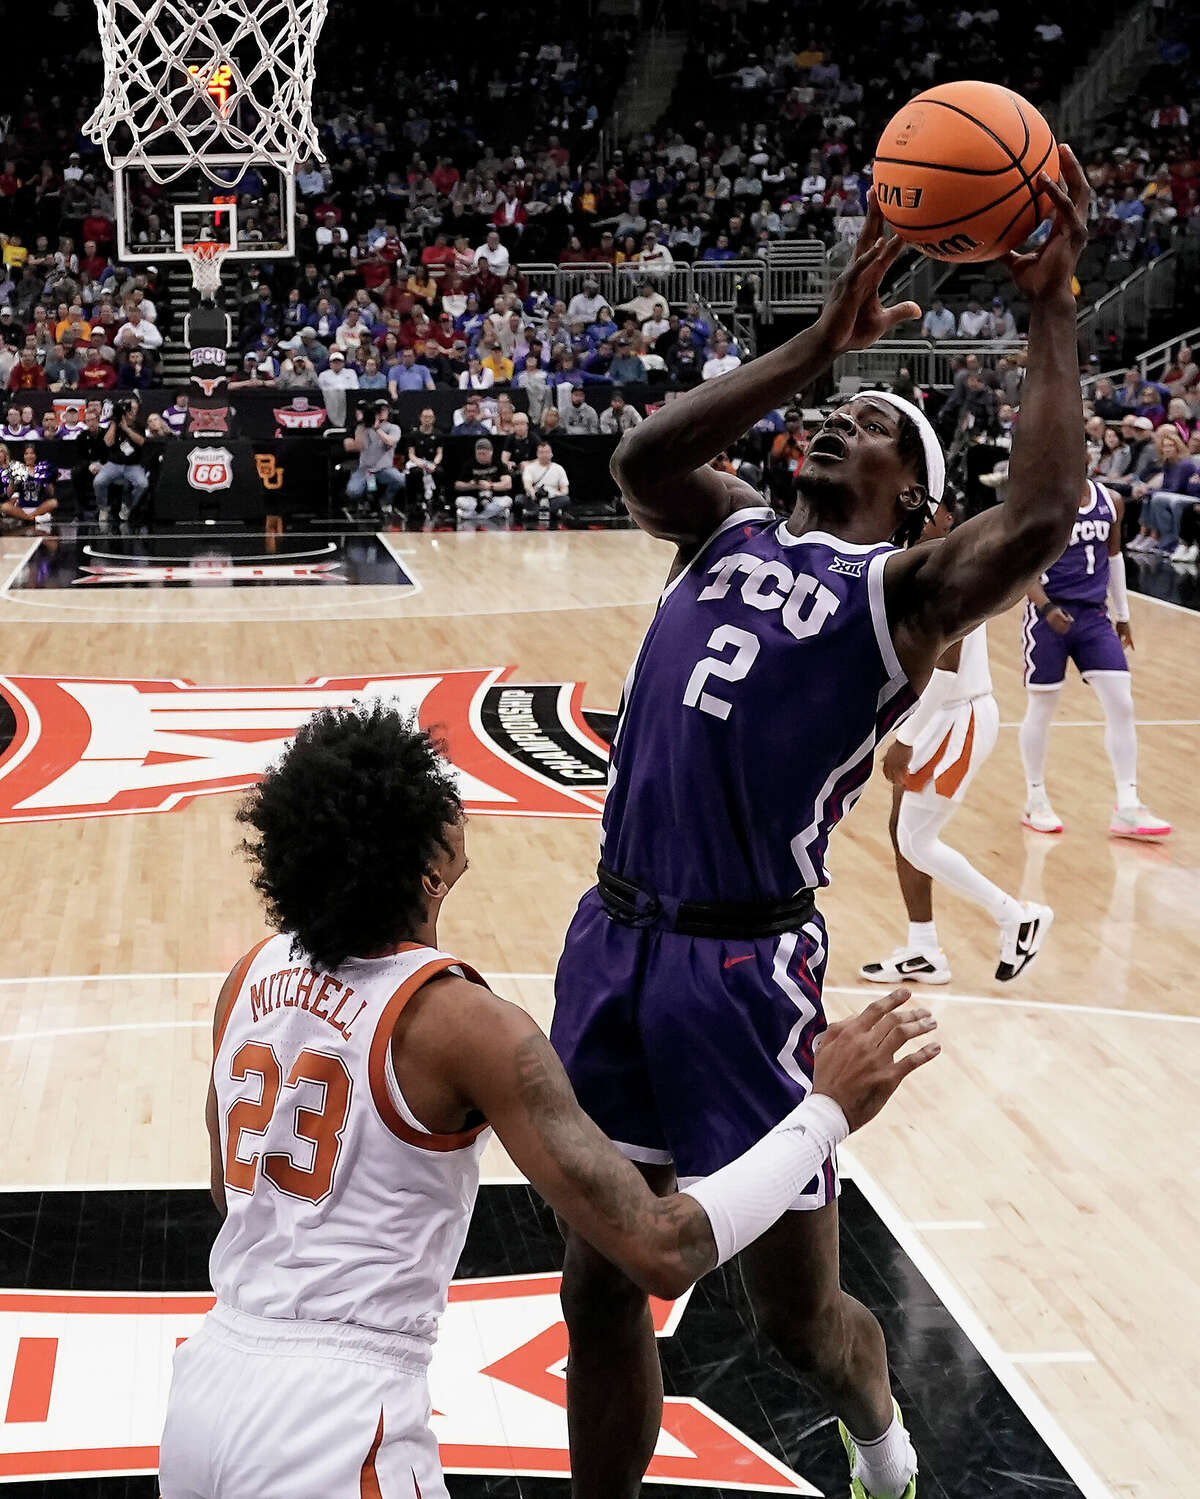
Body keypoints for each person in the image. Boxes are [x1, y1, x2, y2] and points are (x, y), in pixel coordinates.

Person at [550, 154, 1090, 1499]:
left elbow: (1038, 515)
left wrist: (1054, 306)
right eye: (831, 410)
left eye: (872, 420)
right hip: (610, 939)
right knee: (599, 1290)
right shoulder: (723, 528)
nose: (841, 419)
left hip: (742, 974)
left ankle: (884, 1444)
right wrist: (819, 341)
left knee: (793, 1321)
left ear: (914, 490)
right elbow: (637, 454)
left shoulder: (899, 594)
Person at [156, 704, 937, 1499]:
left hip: (203, 1394)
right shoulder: (465, 1024)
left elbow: (234, 1193)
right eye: (438, 796)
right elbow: (665, 1252)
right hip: (338, 1427)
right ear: (430, 870)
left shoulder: (247, 977)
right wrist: (826, 1110)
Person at [862, 505, 1051, 986]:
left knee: (916, 838)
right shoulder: (914, 564)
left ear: (946, 518)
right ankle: (923, 949)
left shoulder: (949, 574)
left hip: (955, 717)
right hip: (937, 717)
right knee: (901, 829)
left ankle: (1015, 916)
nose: (929, 516)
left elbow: (945, 673)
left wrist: (903, 741)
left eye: (936, 509)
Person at [1019, 477, 1170, 839]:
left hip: (1093, 617)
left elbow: (1114, 558)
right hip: (1048, 617)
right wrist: (1047, 607)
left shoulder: (1110, 500)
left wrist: (1123, 615)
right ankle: (1035, 797)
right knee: (1043, 705)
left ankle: (1128, 805)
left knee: (1122, 703)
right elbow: (1022, 568)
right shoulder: (1041, 502)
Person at [94, 395, 149, 525]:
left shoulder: (139, 425)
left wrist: (126, 429)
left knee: (143, 484)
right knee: (98, 482)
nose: (130, 413)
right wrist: (115, 421)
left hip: (133, 465)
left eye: (133, 409)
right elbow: (108, 442)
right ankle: (103, 508)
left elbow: (142, 442)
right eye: (129, 410)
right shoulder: (114, 425)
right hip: (114, 464)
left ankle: (128, 506)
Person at [344, 399, 402, 515]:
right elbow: (357, 446)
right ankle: (362, 501)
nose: (381, 412)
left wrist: (377, 429)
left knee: (400, 480)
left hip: (384, 469)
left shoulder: (393, 428)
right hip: (365, 468)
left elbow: (390, 441)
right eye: (378, 410)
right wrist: (363, 425)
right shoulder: (364, 427)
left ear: (388, 412)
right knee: (352, 491)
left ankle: (385, 501)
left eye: (383, 410)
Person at [454, 437, 512, 526]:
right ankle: (496, 514)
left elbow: (508, 484)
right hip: (474, 500)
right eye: (478, 453)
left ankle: (469, 515)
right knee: (459, 501)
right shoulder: (469, 464)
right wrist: (472, 485)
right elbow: (457, 485)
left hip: (494, 499)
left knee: (507, 501)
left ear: (491, 452)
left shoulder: (499, 464)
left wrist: (490, 486)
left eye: (484, 454)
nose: (481, 456)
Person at [402, 407, 443, 528]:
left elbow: (439, 453)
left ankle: (435, 500)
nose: (427, 420)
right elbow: (411, 454)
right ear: (420, 418)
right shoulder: (413, 434)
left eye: (429, 417)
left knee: (439, 472)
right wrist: (419, 462)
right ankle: (417, 501)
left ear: (434, 419)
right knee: (416, 472)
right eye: (425, 417)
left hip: (431, 462)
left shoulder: (438, 434)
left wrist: (434, 464)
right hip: (417, 462)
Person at [518, 439, 571, 527]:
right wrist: (532, 492)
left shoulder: (558, 468)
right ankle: (550, 513)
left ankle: (535, 513)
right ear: (537, 454)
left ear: (551, 454)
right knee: (519, 499)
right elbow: (527, 484)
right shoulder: (529, 468)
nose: (544, 455)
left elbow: (565, 489)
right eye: (541, 452)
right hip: (535, 498)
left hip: (552, 498)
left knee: (565, 499)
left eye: (546, 452)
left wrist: (559, 493)